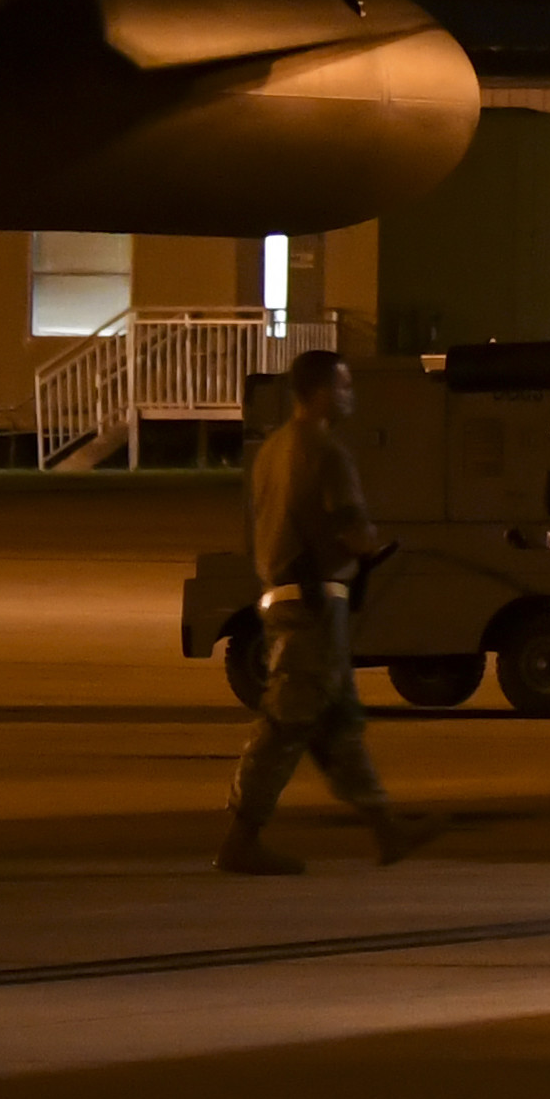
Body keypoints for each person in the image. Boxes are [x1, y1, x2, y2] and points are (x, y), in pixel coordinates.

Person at [218, 342, 441, 875]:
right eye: (343, 386)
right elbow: (352, 528)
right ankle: (241, 837)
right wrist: (372, 543)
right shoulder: (326, 451)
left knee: (339, 721)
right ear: (318, 393)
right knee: (286, 721)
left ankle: (385, 829)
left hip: (284, 598)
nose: (350, 396)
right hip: (313, 605)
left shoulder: (271, 450)